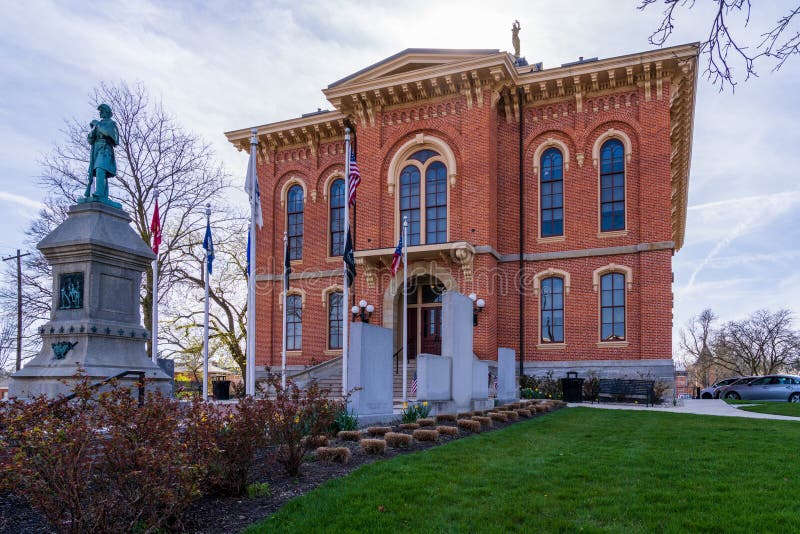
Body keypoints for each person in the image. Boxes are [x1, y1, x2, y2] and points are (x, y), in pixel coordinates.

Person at [84, 103, 119, 201]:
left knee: (100, 169)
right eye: (100, 111)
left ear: (107, 112)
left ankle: (99, 192)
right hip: (96, 148)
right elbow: (90, 140)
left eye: (102, 111)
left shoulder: (111, 123)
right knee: (100, 172)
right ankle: (103, 195)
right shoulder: (98, 124)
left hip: (105, 149)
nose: (100, 113)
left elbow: (109, 134)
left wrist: (97, 125)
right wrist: (92, 132)